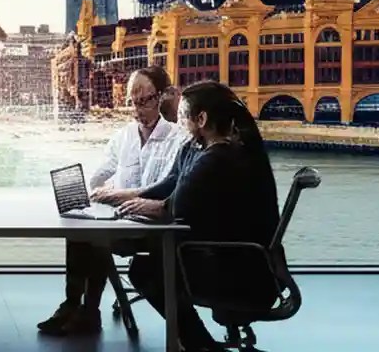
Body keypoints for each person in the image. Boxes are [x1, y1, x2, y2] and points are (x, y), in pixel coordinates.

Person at [122, 81, 282, 352]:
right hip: (252, 267)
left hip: (237, 274)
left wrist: (141, 207)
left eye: (184, 115)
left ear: (202, 119)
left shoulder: (217, 158)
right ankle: (197, 344)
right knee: (153, 260)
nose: (180, 121)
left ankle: (199, 346)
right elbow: (177, 197)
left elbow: (175, 209)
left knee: (145, 270)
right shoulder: (235, 150)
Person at [38, 66, 184, 337]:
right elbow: (98, 176)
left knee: (94, 237)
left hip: (154, 227)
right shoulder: (123, 136)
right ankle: (74, 306)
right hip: (120, 221)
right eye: (133, 101)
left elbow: (167, 189)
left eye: (145, 100)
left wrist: (121, 194)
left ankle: (87, 312)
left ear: (162, 97)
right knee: (80, 228)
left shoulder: (178, 138)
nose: (138, 108)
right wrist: (93, 189)